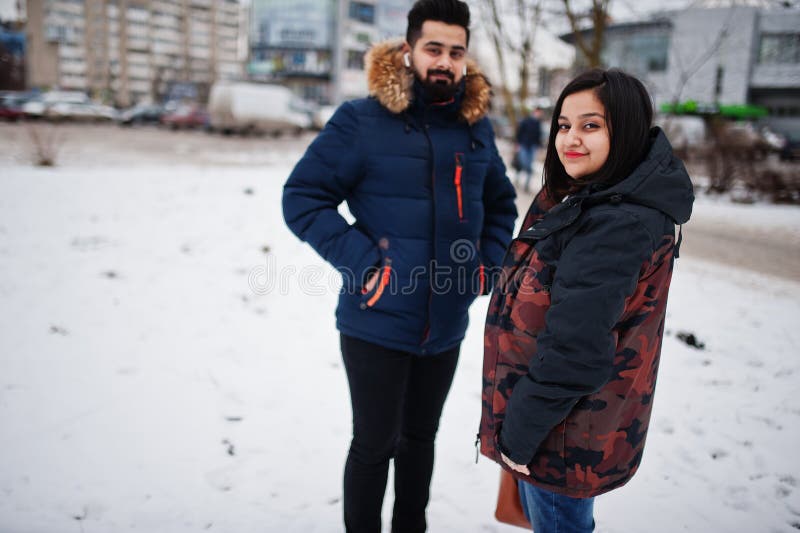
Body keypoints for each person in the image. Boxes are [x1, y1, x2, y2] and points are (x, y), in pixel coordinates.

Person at [282, 1, 517, 531]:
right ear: (408, 50)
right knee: (374, 444)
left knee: (420, 441)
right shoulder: (361, 122)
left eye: (456, 52)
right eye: (434, 48)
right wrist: (365, 264)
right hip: (376, 320)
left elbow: (501, 205)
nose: (445, 62)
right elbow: (302, 198)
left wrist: (485, 266)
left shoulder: (475, 129)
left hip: (446, 323)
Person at [478, 69, 694, 532]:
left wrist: (517, 438)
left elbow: (576, 352)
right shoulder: (591, 199)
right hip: (559, 428)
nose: (570, 138)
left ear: (627, 129)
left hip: (559, 440)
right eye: (564, 125)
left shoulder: (614, 224)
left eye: (590, 125)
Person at [514, 107, 543, 192]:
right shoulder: (526, 121)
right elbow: (519, 132)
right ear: (535, 112)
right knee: (523, 163)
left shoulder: (538, 123)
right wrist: (517, 144)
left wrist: (539, 146)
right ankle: (517, 178)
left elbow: (538, 136)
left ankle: (526, 185)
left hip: (532, 146)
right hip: (523, 145)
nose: (540, 115)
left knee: (529, 165)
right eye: (539, 113)